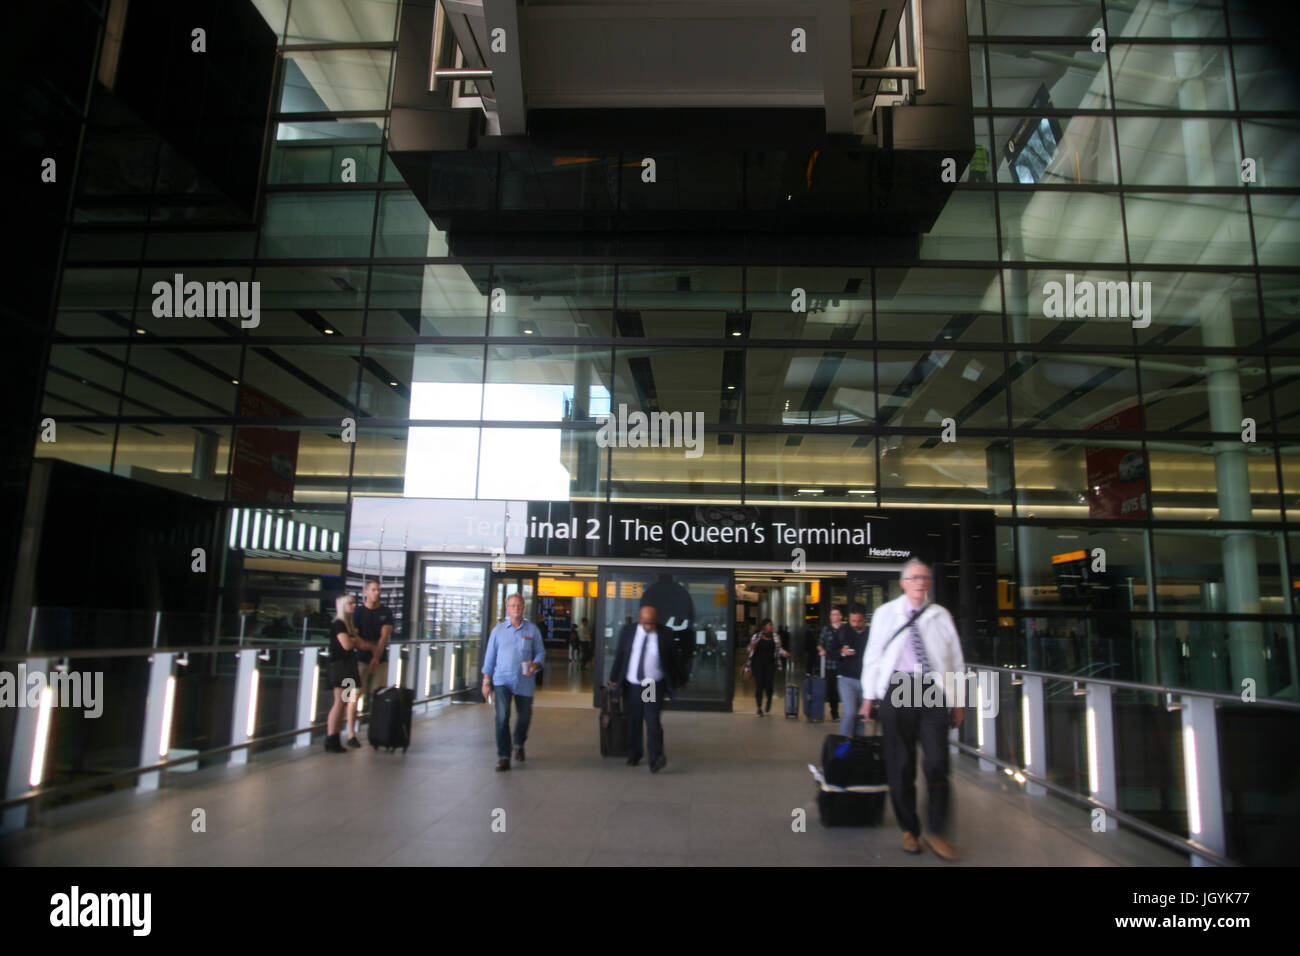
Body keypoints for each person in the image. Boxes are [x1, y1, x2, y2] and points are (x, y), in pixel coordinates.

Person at [860, 558, 966, 861]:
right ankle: (910, 830)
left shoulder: (940, 615)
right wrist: (868, 697)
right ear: (904, 583)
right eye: (915, 578)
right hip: (898, 686)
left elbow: (955, 660)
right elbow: (873, 655)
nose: (921, 582)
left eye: (925, 578)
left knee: (937, 762)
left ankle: (936, 829)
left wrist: (958, 702)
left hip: (931, 687)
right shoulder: (885, 614)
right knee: (901, 763)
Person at [607, 603, 683, 772]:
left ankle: (656, 758)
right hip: (632, 685)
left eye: (652, 623)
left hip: (650, 685)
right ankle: (634, 754)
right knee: (633, 720)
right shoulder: (628, 631)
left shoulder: (665, 634)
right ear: (640, 619)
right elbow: (620, 655)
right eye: (646, 623)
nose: (649, 627)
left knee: (652, 720)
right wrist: (614, 679)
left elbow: (674, 660)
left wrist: (679, 680)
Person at [480, 594, 546, 771]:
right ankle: (504, 756)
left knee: (524, 718)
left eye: (518, 605)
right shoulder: (498, 631)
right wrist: (486, 681)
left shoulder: (532, 631)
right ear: (507, 609)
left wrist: (536, 663)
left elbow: (540, 652)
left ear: (523, 608)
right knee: (502, 718)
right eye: (512, 605)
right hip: (502, 680)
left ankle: (518, 743)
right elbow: (489, 658)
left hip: (525, 681)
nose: (515, 608)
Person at [347, 578, 393, 748]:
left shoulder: (386, 612)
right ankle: (351, 733)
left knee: (378, 695)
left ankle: (375, 732)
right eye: (373, 590)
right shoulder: (358, 613)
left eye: (378, 590)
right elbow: (356, 638)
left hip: (380, 661)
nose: (376, 593)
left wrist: (376, 655)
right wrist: (371, 650)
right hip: (359, 660)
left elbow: (384, 636)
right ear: (366, 592)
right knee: (353, 695)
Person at [324, 595, 361, 754]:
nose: (353, 606)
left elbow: (352, 642)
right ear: (342, 606)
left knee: (343, 702)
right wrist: (354, 640)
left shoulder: (346, 625)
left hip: (346, 667)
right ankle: (332, 737)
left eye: (353, 603)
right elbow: (347, 645)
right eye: (350, 604)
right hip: (341, 667)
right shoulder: (339, 624)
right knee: (339, 702)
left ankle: (334, 738)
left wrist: (354, 640)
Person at [830, 604, 870, 738]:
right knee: (850, 713)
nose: (855, 624)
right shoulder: (843, 632)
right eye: (852, 620)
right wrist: (842, 652)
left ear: (864, 619)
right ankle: (844, 745)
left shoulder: (871, 633)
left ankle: (858, 748)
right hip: (846, 678)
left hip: (865, 679)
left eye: (859, 621)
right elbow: (831, 653)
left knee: (861, 716)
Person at [742, 618, 788, 716]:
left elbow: (779, 649)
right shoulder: (756, 637)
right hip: (758, 666)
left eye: (772, 625)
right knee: (759, 687)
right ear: (764, 627)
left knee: (769, 686)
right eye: (770, 625)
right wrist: (751, 646)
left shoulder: (776, 637)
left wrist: (785, 653)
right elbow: (749, 649)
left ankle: (769, 700)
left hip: (770, 665)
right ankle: (759, 708)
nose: (772, 627)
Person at [817, 606, 846, 722]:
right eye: (831, 615)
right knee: (832, 689)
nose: (832, 617)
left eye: (835, 614)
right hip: (830, 664)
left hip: (843, 663)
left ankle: (846, 710)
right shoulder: (826, 629)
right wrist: (821, 650)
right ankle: (834, 712)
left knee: (843, 687)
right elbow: (820, 643)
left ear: (840, 616)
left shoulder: (845, 629)